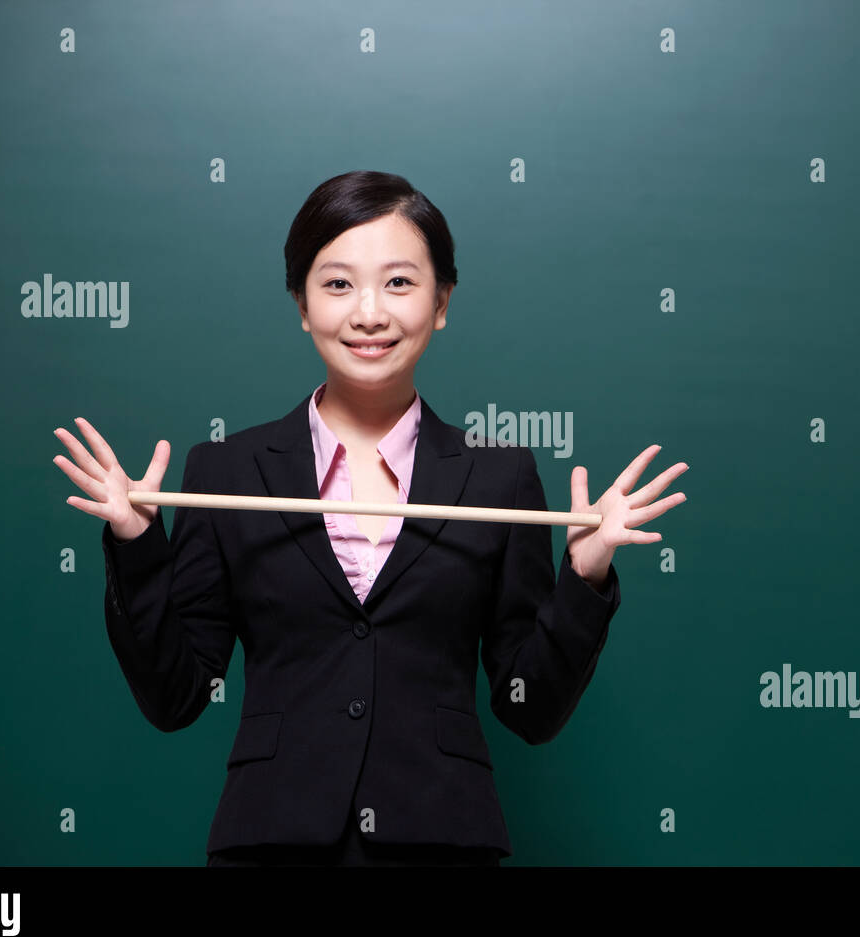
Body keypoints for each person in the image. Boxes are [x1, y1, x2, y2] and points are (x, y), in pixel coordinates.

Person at [52, 170, 688, 866]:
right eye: (336, 284)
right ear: (301, 303)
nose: (368, 314)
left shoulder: (500, 477)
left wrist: (586, 574)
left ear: (442, 302)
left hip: (442, 839)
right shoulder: (224, 472)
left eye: (399, 283)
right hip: (272, 841)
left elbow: (528, 707)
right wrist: (138, 541)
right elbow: (175, 696)